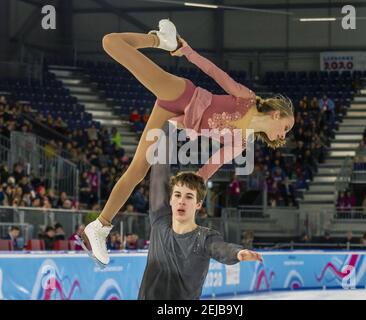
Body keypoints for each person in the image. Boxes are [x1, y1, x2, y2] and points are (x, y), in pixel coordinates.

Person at [82, 19, 294, 266]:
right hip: (182, 93)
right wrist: (187, 52)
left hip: (174, 114)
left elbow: (207, 169)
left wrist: (188, 192)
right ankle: (159, 40)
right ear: (277, 114)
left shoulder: (241, 142)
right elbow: (217, 74)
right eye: (286, 127)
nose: (284, 134)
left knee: (138, 170)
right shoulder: (247, 99)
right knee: (111, 42)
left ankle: (100, 226)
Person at [137, 157, 262, 299]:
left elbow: (220, 248)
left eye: (189, 197)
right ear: (170, 199)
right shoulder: (160, 222)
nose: (182, 201)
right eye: (177, 195)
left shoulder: (205, 238)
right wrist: (163, 136)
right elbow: (159, 173)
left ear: (198, 204)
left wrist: (236, 253)